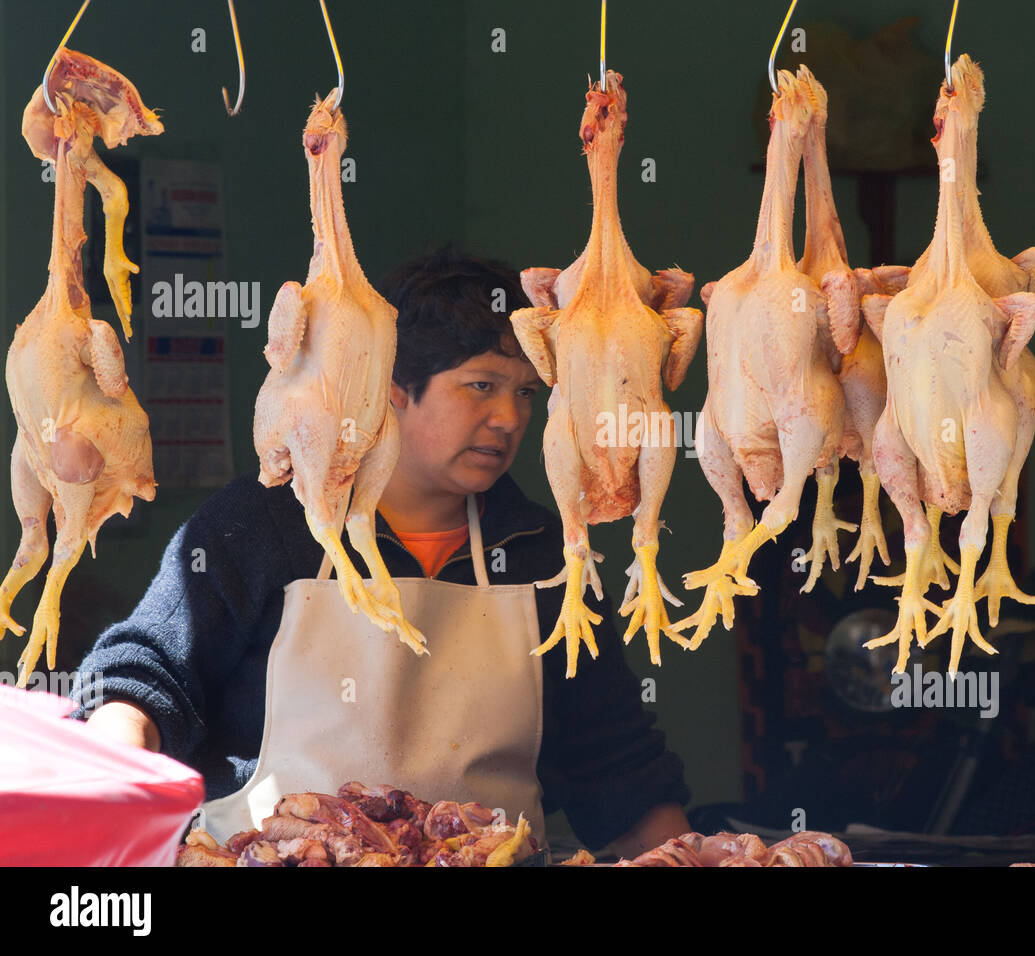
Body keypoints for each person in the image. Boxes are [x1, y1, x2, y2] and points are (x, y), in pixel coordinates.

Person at [73, 247, 690, 857]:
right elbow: (145, 674)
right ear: (394, 386)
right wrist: (113, 758)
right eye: (481, 385)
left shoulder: (542, 552)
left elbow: (617, 765)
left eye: (526, 393)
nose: (508, 417)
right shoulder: (265, 523)